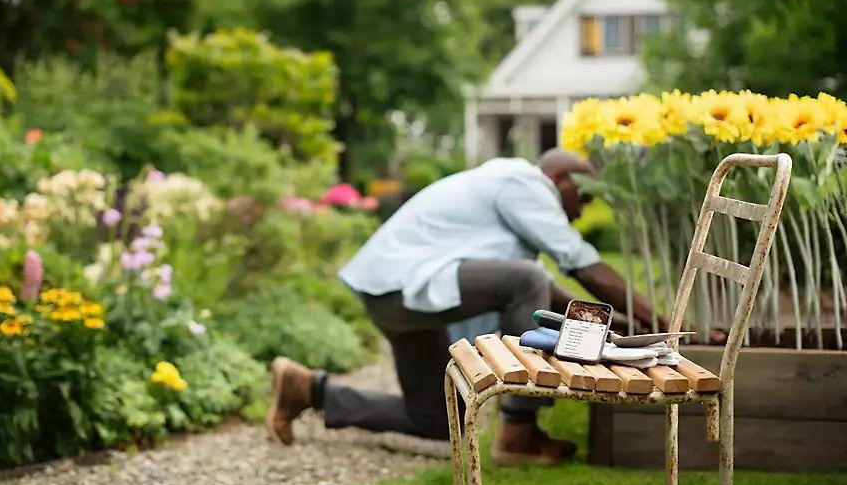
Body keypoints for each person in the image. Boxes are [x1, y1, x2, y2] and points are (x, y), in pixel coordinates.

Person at [265, 150, 659, 465]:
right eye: (583, 196)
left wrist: (626, 325)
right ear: (559, 180)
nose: (583, 209)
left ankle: (308, 391)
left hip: (395, 292)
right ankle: (519, 430)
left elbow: (546, 293)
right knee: (526, 280)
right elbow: (580, 264)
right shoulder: (523, 183)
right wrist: (657, 316)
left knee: (438, 419)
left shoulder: (504, 193)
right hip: (406, 286)